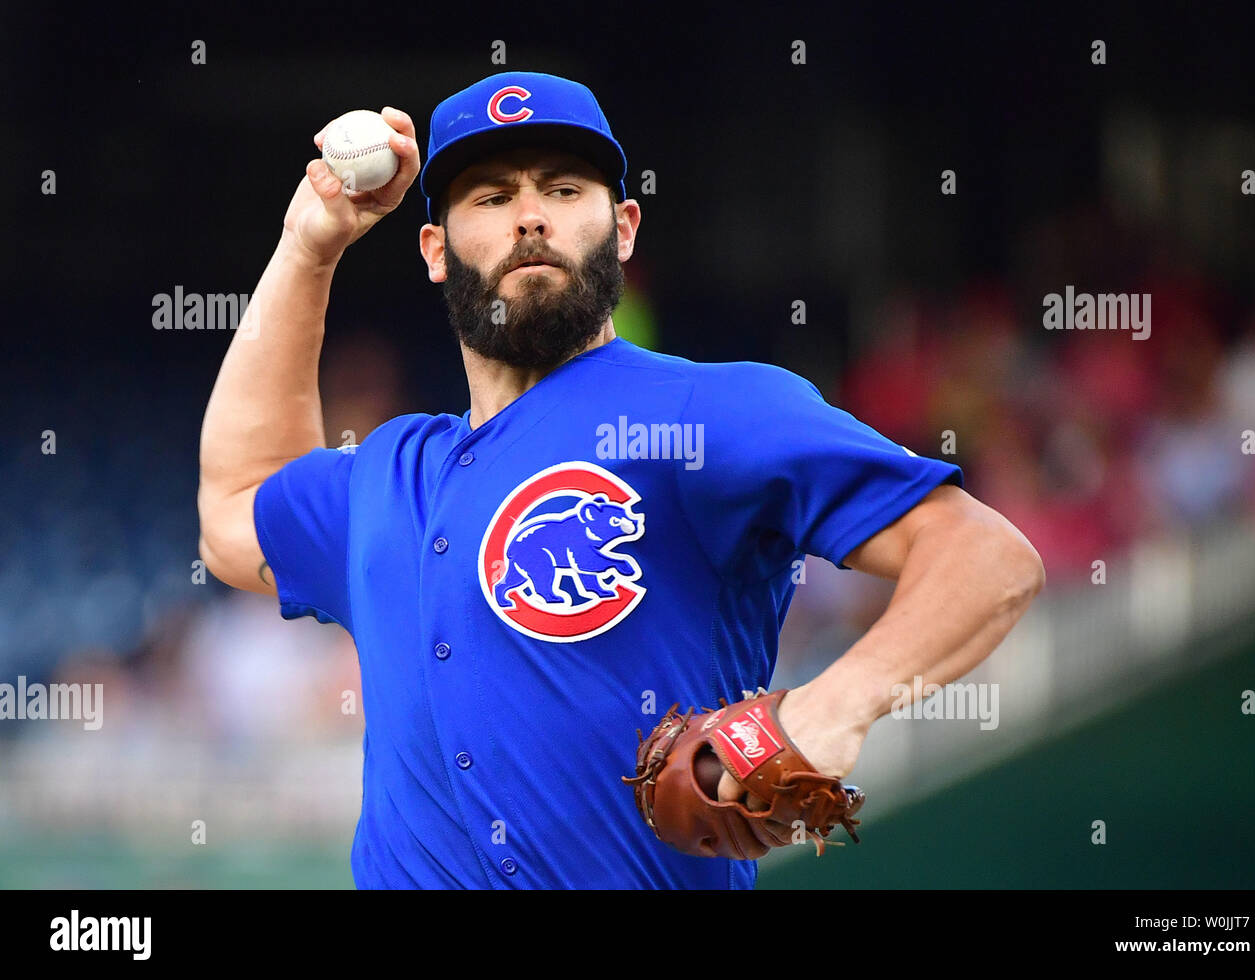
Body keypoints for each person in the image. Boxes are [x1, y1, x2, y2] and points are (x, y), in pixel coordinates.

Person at [196, 70, 1045, 889]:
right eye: (491, 198)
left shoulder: (708, 411)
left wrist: (835, 706)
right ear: (435, 250)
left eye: (564, 190)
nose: (531, 217)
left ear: (625, 227)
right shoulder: (389, 474)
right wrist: (308, 249)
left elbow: (986, 555)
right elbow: (237, 511)